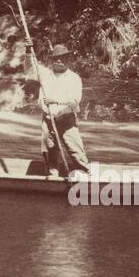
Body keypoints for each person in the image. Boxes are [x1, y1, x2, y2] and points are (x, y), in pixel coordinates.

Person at [38, 44, 90, 178]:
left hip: (67, 121)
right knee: (50, 151)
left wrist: (55, 100)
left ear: (68, 60)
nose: (59, 61)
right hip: (48, 121)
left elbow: (75, 100)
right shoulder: (44, 75)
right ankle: (52, 178)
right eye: (56, 58)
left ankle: (85, 175)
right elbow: (28, 68)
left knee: (76, 150)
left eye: (63, 58)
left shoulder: (74, 78)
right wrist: (27, 52)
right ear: (52, 60)